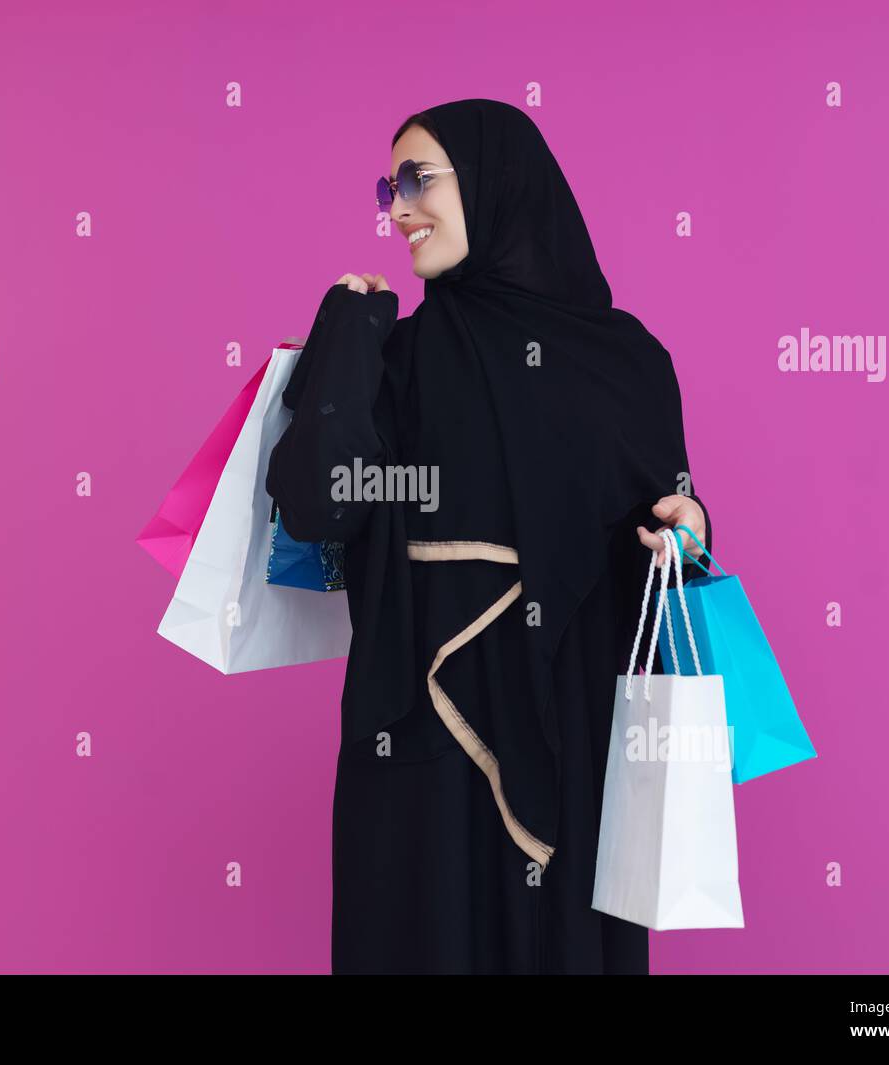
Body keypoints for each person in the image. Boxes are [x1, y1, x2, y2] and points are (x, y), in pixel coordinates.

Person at [265, 98, 713, 974]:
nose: (395, 209)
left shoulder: (625, 361)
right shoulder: (398, 356)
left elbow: (671, 519)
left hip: (570, 722)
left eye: (415, 180)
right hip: (419, 735)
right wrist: (350, 336)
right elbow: (320, 504)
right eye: (388, 187)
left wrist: (690, 527)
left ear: (499, 184)